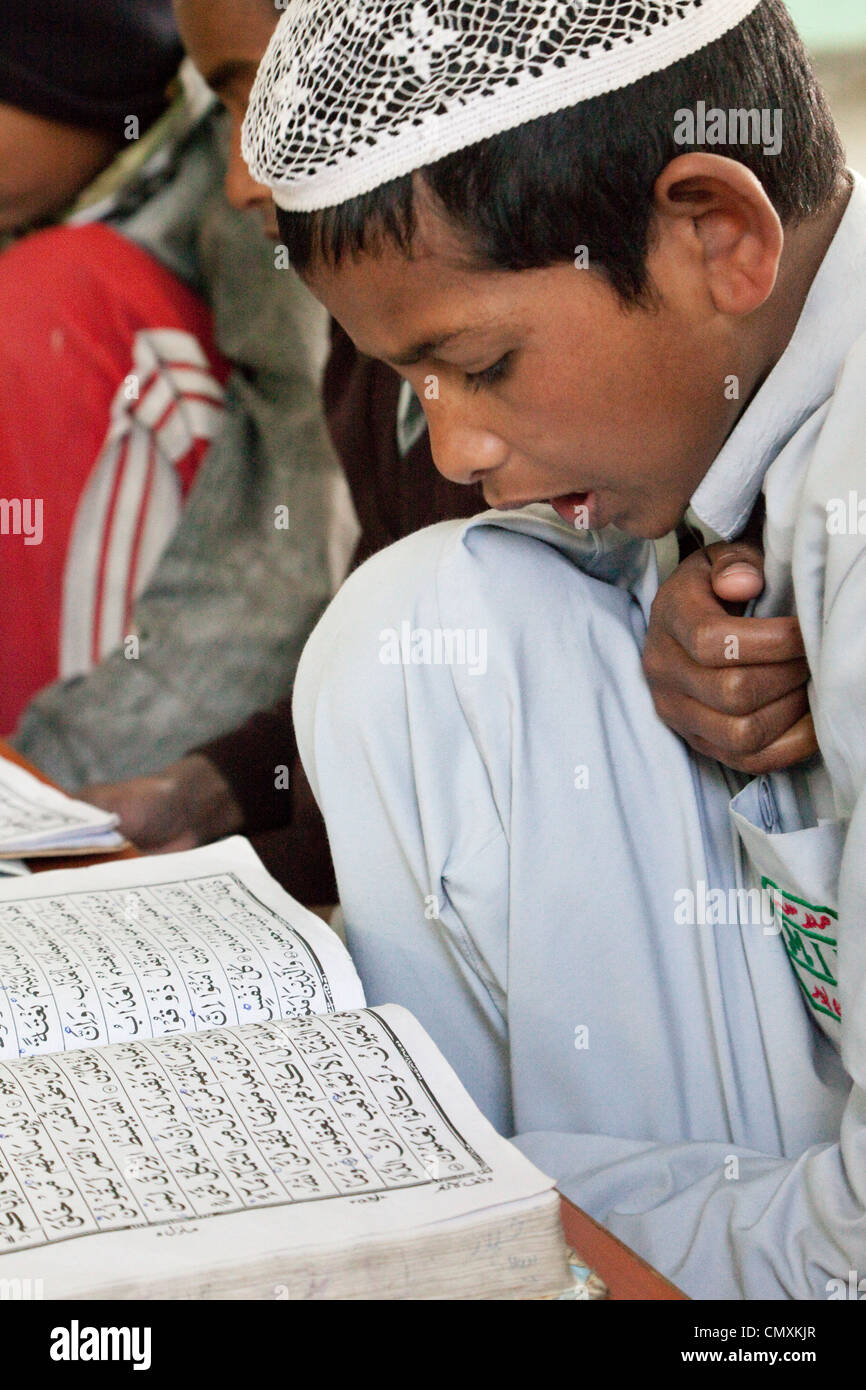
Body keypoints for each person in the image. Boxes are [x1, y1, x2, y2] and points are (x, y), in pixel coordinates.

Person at [240, 0, 866, 1299]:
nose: (458, 454)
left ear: (718, 235)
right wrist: (678, 575)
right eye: (417, 387)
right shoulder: (741, 427)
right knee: (426, 628)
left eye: (476, 364)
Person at [3, 0, 344, 783]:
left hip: (135, 730)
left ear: (78, 78)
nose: (243, 179)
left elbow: (299, 533)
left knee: (39, 306)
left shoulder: (262, 199)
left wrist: (57, 781)